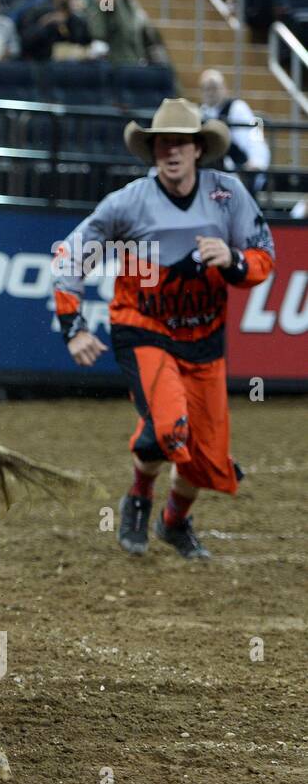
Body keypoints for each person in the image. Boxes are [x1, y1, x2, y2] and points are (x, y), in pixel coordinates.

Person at [51, 98, 274, 559]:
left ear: (198, 148)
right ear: (152, 151)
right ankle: (138, 497)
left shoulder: (227, 195)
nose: (171, 151)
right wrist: (73, 324)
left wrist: (232, 260)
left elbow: (262, 257)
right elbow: (72, 256)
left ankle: (173, 522)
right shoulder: (127, 203)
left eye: (180, 143)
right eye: (162, 143)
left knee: (206, 461)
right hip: (143, 329)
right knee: (171, 428)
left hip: (204, 342)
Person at [198, 69, 270, 189]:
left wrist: (257, 162)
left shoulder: (238, 108)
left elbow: (255, 137)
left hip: (238, 168)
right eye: (206, 88)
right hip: (212, 170)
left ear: (224, 88)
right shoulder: (201, 113)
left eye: (214, 88)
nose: (210, 93)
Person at [20, 0, 93, 61]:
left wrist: (72, 17)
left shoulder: (77, 16)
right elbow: (26, 42)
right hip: (42, 64)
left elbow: (85, 41)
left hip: (71, 65)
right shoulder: (38, 10)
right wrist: (46, 22)